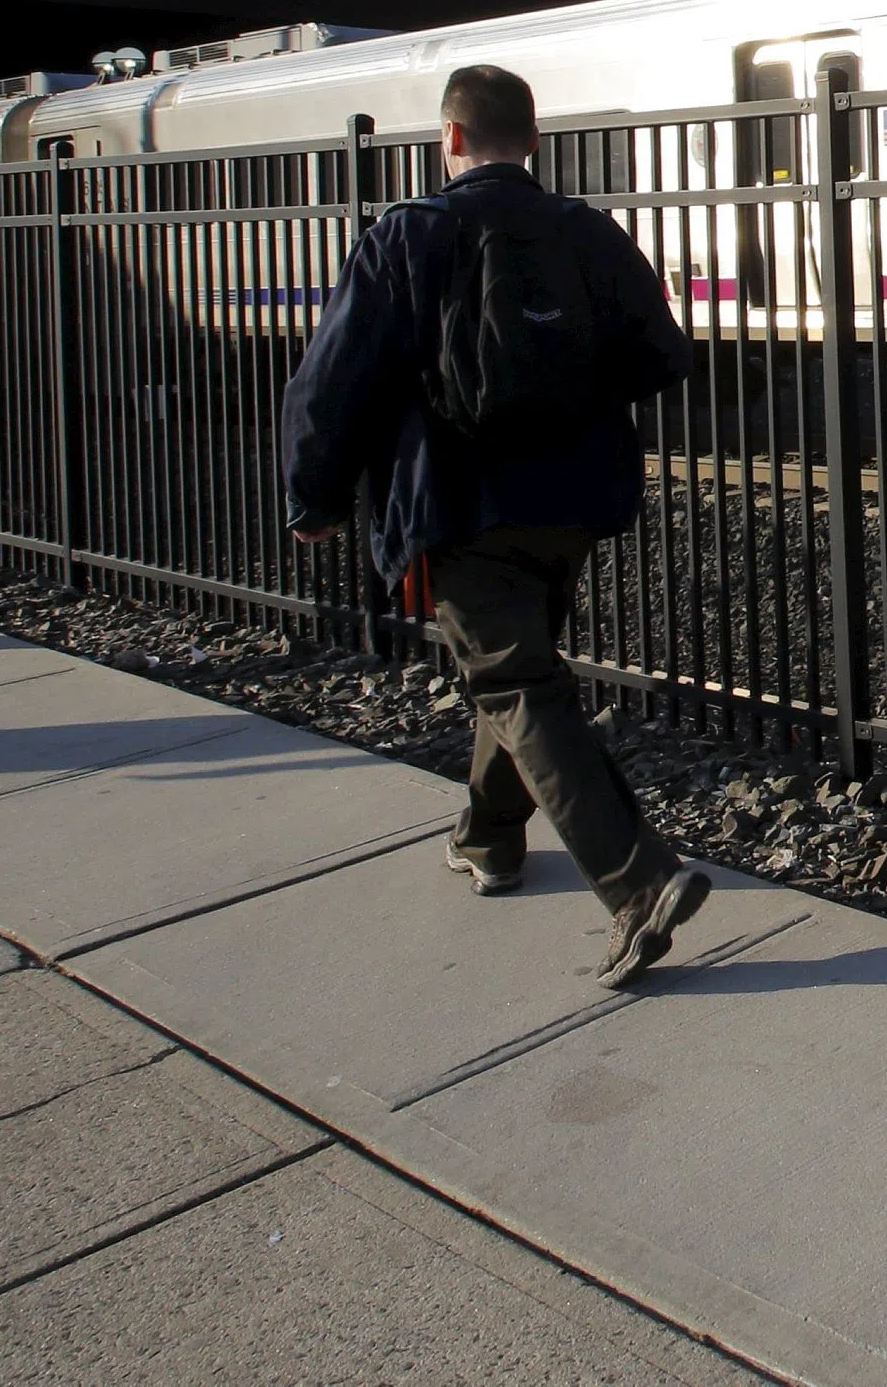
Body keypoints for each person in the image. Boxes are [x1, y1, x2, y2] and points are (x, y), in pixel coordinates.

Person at [281, 64, 708, 989]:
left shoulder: (411, 234)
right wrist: (573, 395)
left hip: (464, 504)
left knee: (514, 681)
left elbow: (332, 381)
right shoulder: (586, 232)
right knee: (518, 671)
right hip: (577, 504)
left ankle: (640, 884)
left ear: (451, 139)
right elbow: (664, 353)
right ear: (535, 141)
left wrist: (315, 497)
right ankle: (490, 839)